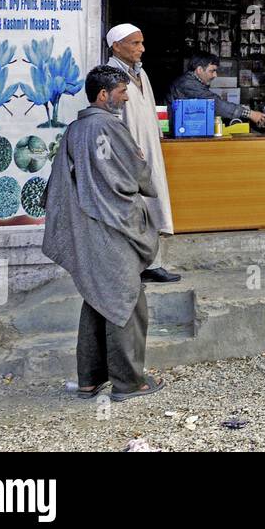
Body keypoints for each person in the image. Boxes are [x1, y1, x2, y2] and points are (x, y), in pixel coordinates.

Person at [41, 66, 165, 402]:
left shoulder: (75, 129)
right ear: (103, 95)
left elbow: (60, 182)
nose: (126, 98)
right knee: (126, 299)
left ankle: (89, 380)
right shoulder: (109, 126)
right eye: (123, 92)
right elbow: (130, 176)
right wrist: (139, 162)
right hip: (113, 227)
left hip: (86, 228)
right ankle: (129, 382)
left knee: (96, 297)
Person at [106, 23, 179, 283]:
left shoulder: (141, 73)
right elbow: (110, 119)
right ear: (116, 46)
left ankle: (152, 263)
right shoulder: (110, 75)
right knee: (132, 210)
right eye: (135, 43)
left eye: (142, 42)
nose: (142, 48)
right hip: (128, 153)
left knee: (150, 208)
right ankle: (133, 266)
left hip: (148, 150)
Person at [168, 51, 265, 126]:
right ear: (199, 70)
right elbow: (214, 103)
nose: (215, 75)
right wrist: (250, 114)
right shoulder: (187, 83)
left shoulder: (191, 81)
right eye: (212, 71)